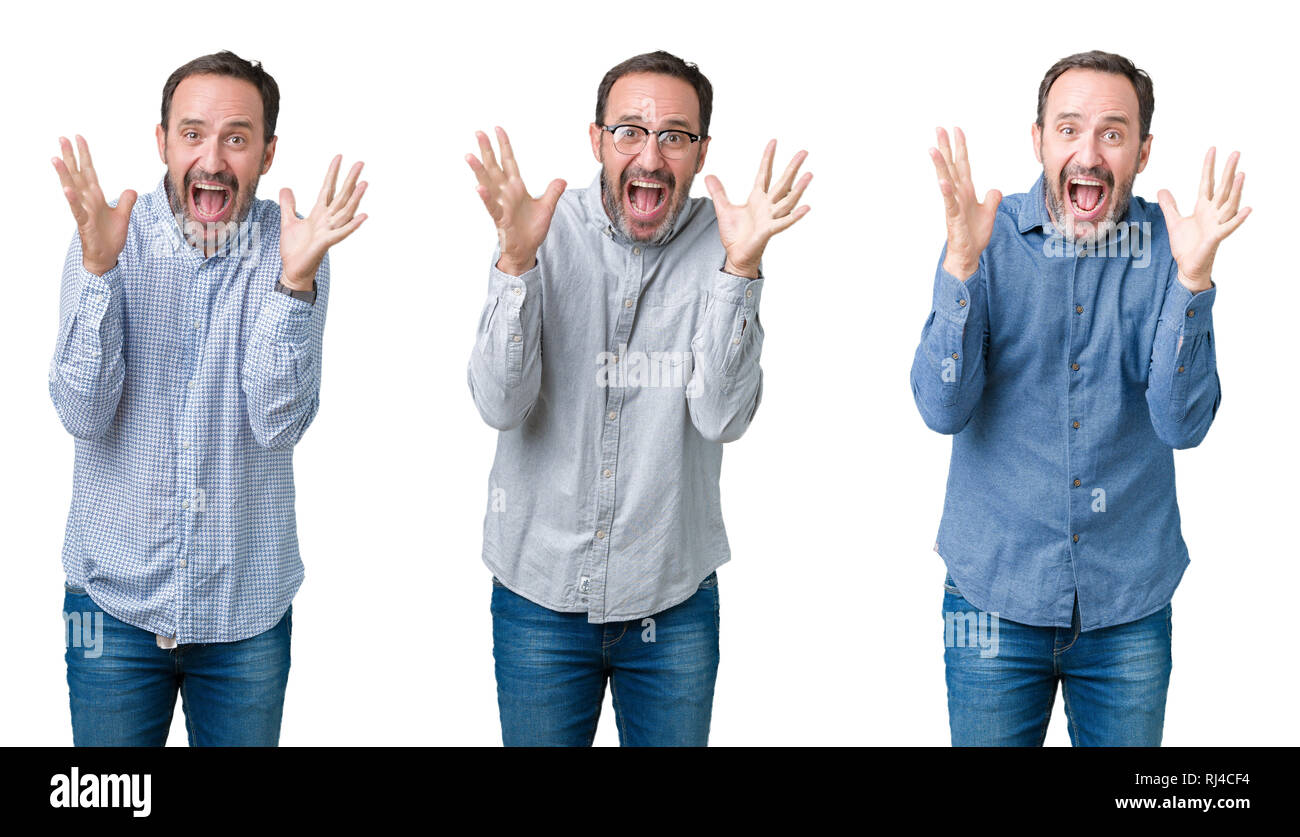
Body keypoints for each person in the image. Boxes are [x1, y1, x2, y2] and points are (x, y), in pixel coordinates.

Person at [466, 50, 811, 746]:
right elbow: (499, 404)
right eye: (629, 131)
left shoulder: (729, 239)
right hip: (539, 598)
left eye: (674, 136)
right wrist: (515, 261)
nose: (650, 157)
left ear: (700, 151)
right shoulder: (538, 226)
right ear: (596, 140)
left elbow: (722, 415)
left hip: (672, 601)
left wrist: (740, 270)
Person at [912, 50, 1249, 746]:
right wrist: (960, 268)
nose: (1087, 153)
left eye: (1112, 133)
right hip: (992, 600)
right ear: (1038, 139)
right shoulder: (983, 237)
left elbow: (1181, 426)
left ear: (1143, 151)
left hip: (1127, 604)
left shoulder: (1169, 248)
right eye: (1068, 130)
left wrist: (1193, 282)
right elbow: (941, 410)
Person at [51, 50, 368, 746]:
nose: (213, 158)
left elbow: (277, 424)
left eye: (237, 136)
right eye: (192, 133)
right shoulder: (105, 241)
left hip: (244, 617)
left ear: (267, 152)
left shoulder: (294, 249)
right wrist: (100, 273)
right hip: (110, 608)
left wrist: (293, 285)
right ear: (161, 141)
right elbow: (81, 412)